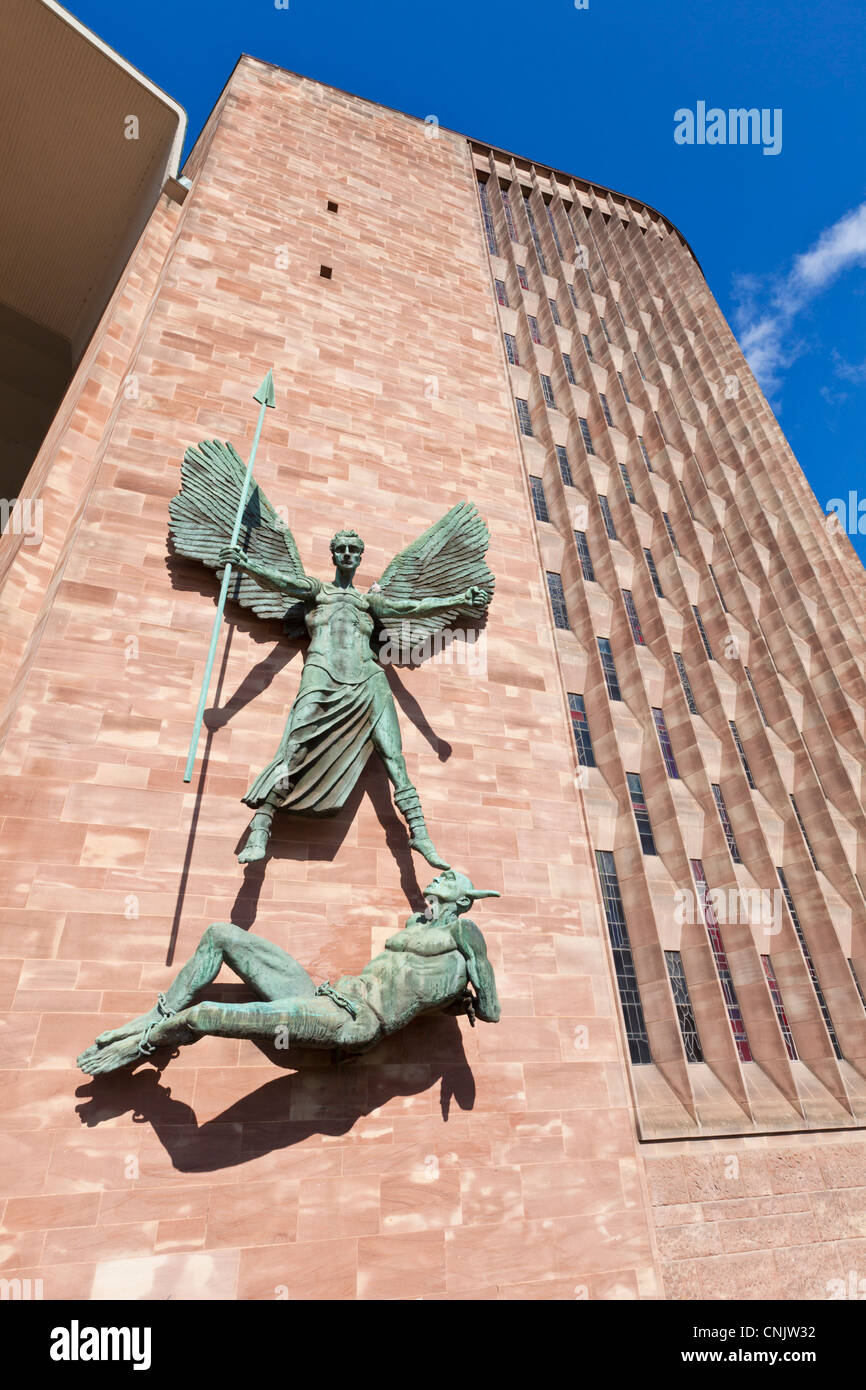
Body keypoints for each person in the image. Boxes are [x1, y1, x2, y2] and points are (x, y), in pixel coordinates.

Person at [77, 871, 500, 1076]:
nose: (438, 876)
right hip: (326, 996)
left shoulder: (465, 933)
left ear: (463, 901)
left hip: (355, 1021)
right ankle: (157, 1015)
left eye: (448, 878)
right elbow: (417, 984)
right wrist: (447, 1001)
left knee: (207, 1015)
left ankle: (142, 1045)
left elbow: (491, 1010)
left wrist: (465, 999)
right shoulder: (416, 926)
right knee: (222, 935)